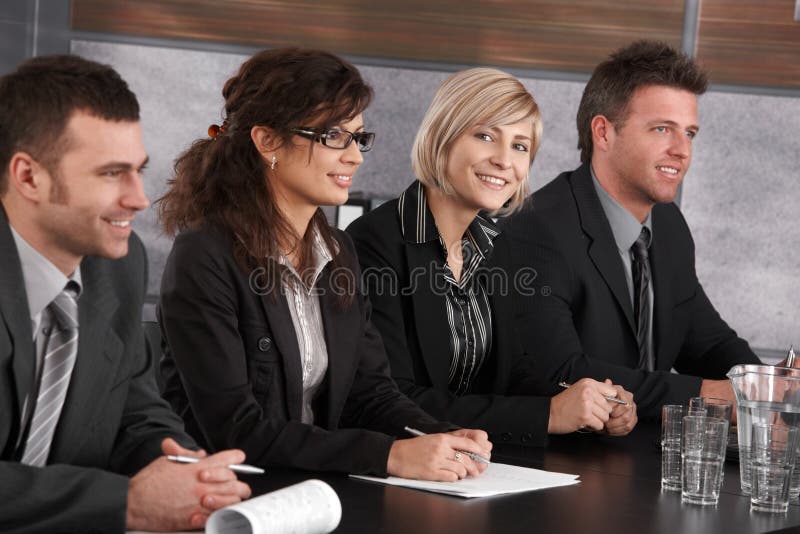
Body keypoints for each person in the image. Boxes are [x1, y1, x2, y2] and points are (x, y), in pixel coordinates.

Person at [157, 48, 491, 482]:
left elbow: (368, 392)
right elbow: (235, 431)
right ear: (266, 140)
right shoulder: (204, 257)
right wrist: (389, 456)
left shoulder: (338, 251)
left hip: (317, 486)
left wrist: (441, 435)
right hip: (231, 494)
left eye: (358, 137)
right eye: (334, 136)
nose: (355, 157)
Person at [0, 55, 251, 533]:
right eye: (111, 173)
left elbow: (133, 410)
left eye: (139, 170)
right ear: (28, 177)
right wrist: (128, 502)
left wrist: (185, 472)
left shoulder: (118, 264)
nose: (139, 198)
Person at [346, 67, 637, 448]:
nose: (504, 160)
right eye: (485, 136)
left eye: (520, 146)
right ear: (442, 137)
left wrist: (588, 405)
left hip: (474, 463)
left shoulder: (495, 245)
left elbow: (511, 374)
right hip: (401, 466)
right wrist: (548, 415)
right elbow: (391, 399)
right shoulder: (373, 243)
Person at [500, 40, 761, 418]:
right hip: (568, 463)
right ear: (603, 133)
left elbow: (707, 344)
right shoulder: (538, 228)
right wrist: (710, 397)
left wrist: (771, 384)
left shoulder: (669, 226)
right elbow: (560, 373)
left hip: (647, 454)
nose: (682, 150)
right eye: (662, 129)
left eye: (689, 133)